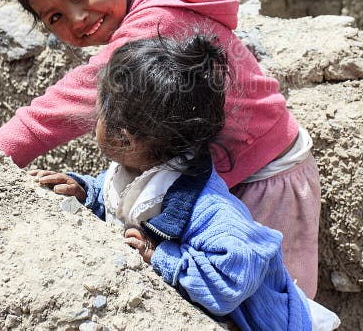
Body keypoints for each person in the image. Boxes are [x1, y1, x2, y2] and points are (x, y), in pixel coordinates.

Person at [0, 0, 321, 297]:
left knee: (272, 300)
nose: (78, 18)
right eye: (55, 17)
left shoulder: (160, 17)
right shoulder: (145, 6)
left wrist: (1, 147)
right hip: (217, 175)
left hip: (266, 179)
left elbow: (84, 89)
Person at [32, 34, 316, 330]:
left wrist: (162, 257)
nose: (95, 120)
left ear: (125, 138)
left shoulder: (209, 211)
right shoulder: (138, 168)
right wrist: (84, 192)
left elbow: (235, 276)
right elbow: (116, 198)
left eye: (100, 111)